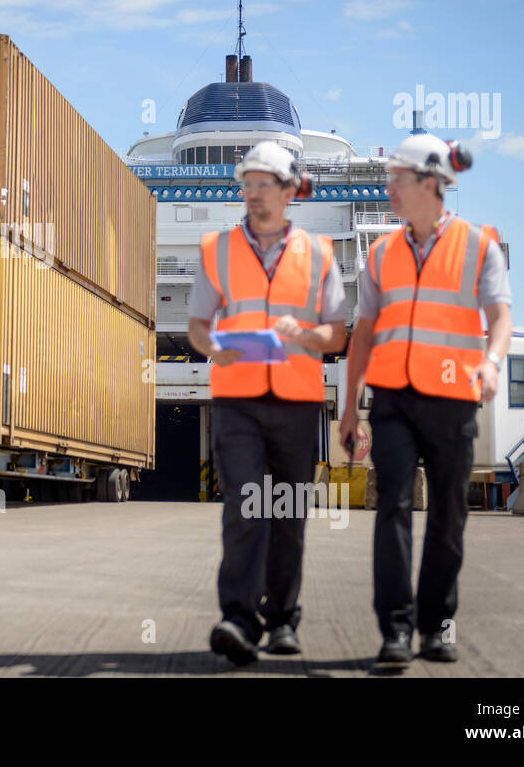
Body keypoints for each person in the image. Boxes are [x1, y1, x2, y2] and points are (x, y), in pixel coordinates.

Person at [339, 133, 512, 672]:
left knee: (448, 513)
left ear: (430, 183)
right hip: (392, 400)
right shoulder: (381, 252)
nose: (388, 187)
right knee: (391, 504)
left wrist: (492, 362)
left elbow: (500, 316)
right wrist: (350, 406)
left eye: (396, 178)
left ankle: (436, 627)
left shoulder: (479, 245)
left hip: (452, 398)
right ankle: (394, 631)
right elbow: (363, 332)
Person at [188, 141, 347, 665]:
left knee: (288, 512)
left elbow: (338, 335)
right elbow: (197, 326)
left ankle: (281, 619)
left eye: (263, 185)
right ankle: (237, 616)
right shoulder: (216, 249)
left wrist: (301, 332)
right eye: (246, 184)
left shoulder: (320, 252)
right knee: (245, 503)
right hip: (236, 399)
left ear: (287, 191)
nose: (252, 194)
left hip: (297, 401)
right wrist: (214, 350)